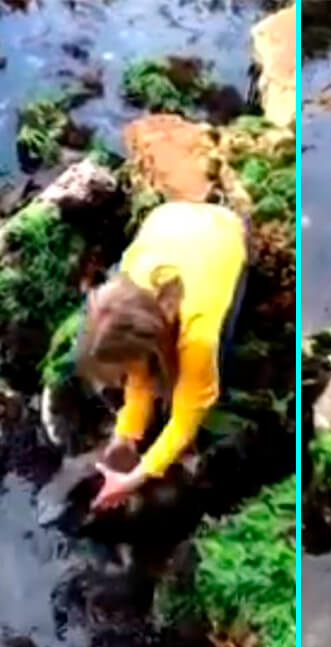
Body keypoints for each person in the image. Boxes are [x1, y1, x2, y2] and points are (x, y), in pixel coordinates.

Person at [77, 202, 247, 511]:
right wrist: (125, 436)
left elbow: (184, 421)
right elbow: (138, 380)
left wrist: (136, 478)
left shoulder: (199, 333)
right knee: (137, 364)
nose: (127, 375)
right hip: (170, 220)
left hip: (225, 234)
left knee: (209, 371)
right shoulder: (124, 293)